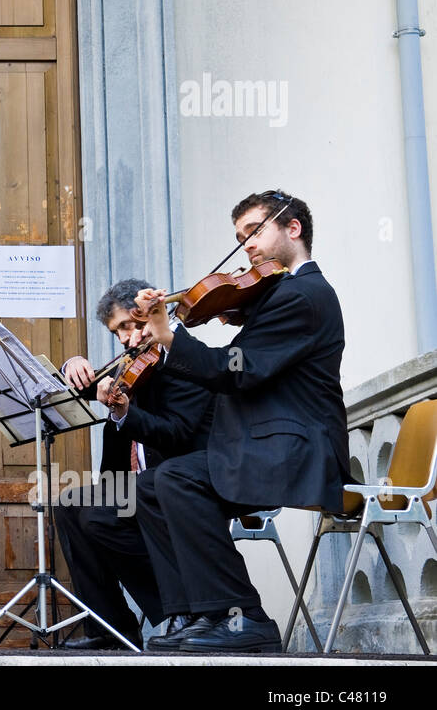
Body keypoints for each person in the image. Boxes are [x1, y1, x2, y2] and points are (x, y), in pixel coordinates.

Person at [132, 189, 349, 653]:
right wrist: (228, 312)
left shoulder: (304, 294)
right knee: (149, 486)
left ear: (293, 229)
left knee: (176, 478)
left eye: (254, 231)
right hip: (265, 446)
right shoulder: (279, 294)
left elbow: (238, 370)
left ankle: (242, 618)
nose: (246, 245)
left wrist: (170, 334)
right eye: (240, 237)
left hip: (297, 451)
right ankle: (194, 614)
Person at [54, 279, 214, 650]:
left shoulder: (183, 360)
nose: (126, 339)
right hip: (136, 489)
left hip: (181, 487)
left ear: (152, 315)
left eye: (131, 325)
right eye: (117, 332)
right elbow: (74, 387)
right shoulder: (135, 365)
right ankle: (110, 630)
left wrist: (124, 412)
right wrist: (73, 365)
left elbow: (178, 433)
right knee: (68, 505)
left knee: (97, 516)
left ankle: (185, 612)